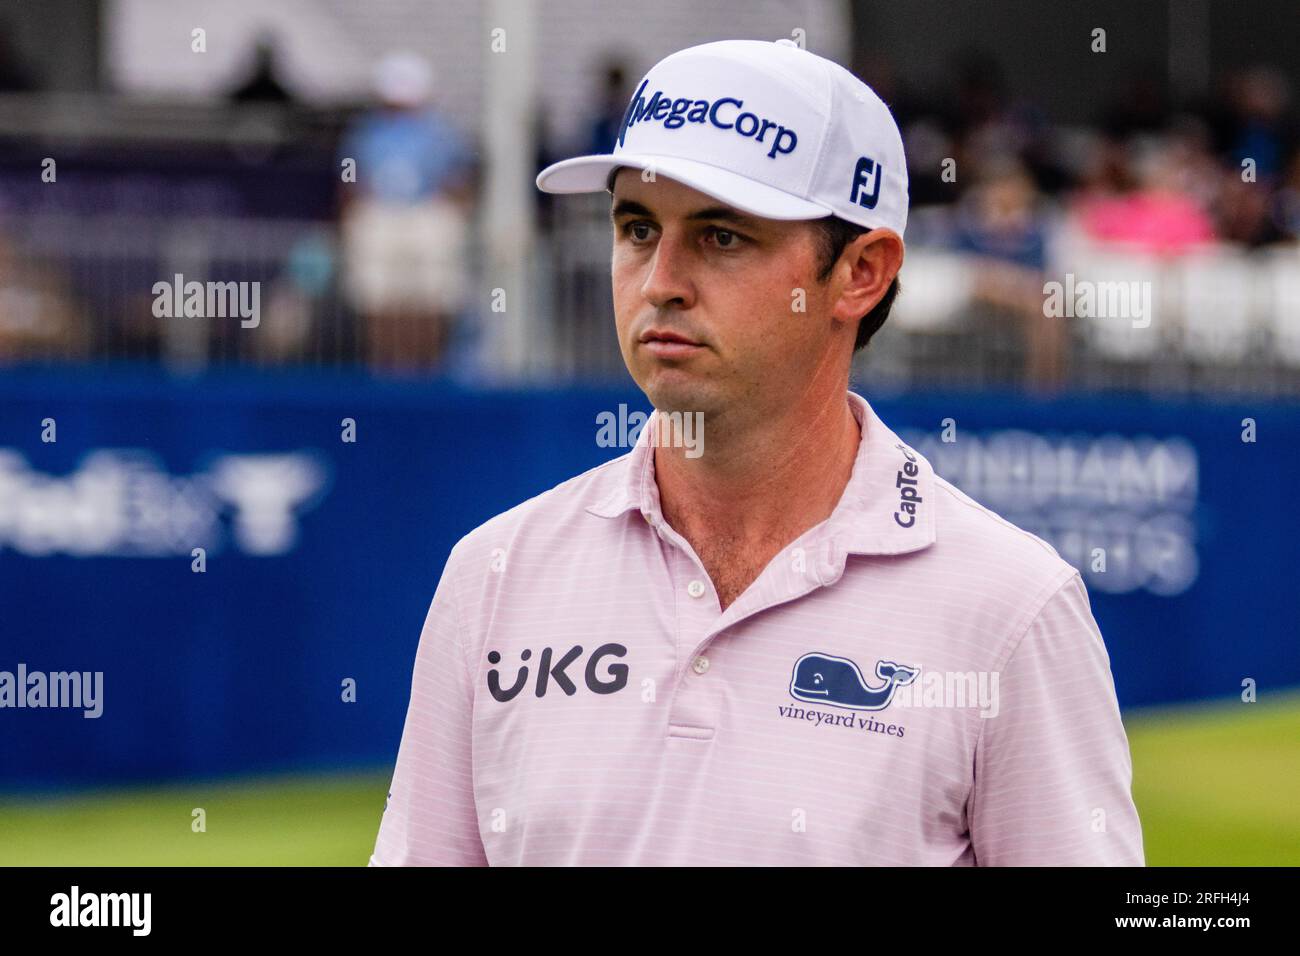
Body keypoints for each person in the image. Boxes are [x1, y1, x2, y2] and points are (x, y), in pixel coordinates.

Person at [370, 39, 1143, 866]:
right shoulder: (492, 574)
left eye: (722, 237)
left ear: (862, 274)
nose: (659, 279)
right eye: (636, 227)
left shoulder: (1010, 608)